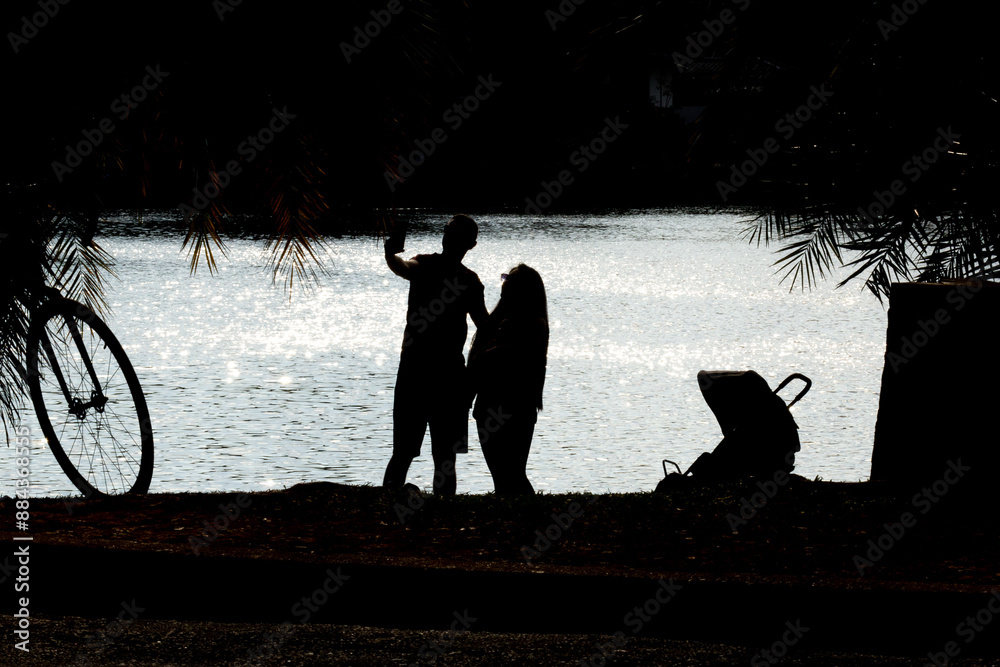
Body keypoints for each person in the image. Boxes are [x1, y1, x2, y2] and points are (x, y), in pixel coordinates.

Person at [382, 214, 489, 496]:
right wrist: (390, 253)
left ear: (470, 244)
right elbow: (402, 267)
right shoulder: (433, 267)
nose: (450, 238)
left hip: (437, 375)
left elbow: (485, 327)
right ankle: (404, 508)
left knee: (436, 458)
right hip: (429, 374)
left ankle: (428, 513)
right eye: (450, 232)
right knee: (415, 454)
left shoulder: (466, 280)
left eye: (455, 234)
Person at [468, 264, 549, 495]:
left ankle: (524, 519)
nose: (504, 283)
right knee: (502, 475)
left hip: (516, 407)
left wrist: (486, 357)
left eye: (510, 280)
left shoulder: (533, 323)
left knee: (512, 473)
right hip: (488, 406)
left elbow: (507, 355)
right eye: (505, 278)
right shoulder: (498, 322)